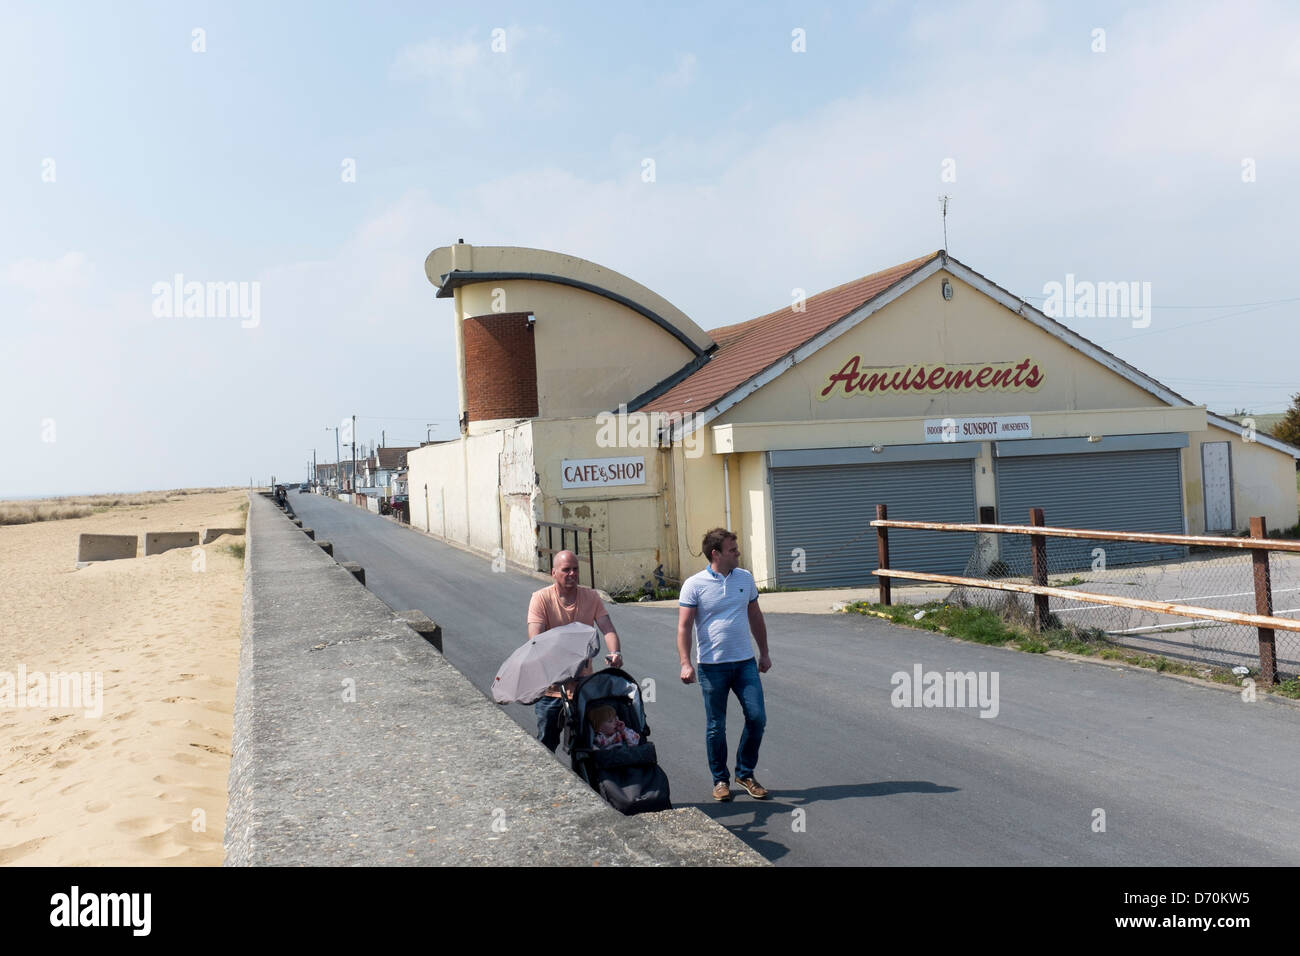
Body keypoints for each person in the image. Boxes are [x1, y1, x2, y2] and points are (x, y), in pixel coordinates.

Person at [677, 528, 772, 802]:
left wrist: (764, 653)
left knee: (757, 718)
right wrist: (685, 663)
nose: (738, 552)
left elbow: (755, 616)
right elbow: (683, 627)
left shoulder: (745, 579)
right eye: (733, 549)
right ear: (716, 553)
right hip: (712, 666)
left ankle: (744, 773)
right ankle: (720, 780)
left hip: (744, 664)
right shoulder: (694, 585)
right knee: (716, 726)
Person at [527, 550, 623, 752]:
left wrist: (615, 652)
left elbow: (608, 628)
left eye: (575, 569)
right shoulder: (540, 598)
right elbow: (535, 639)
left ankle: (584, 782)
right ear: (554, 573)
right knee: (546, 742)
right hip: (551, 687)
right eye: (566, 570)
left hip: (582, 685)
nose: (572, 574)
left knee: (586, 745)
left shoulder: (591, 597)